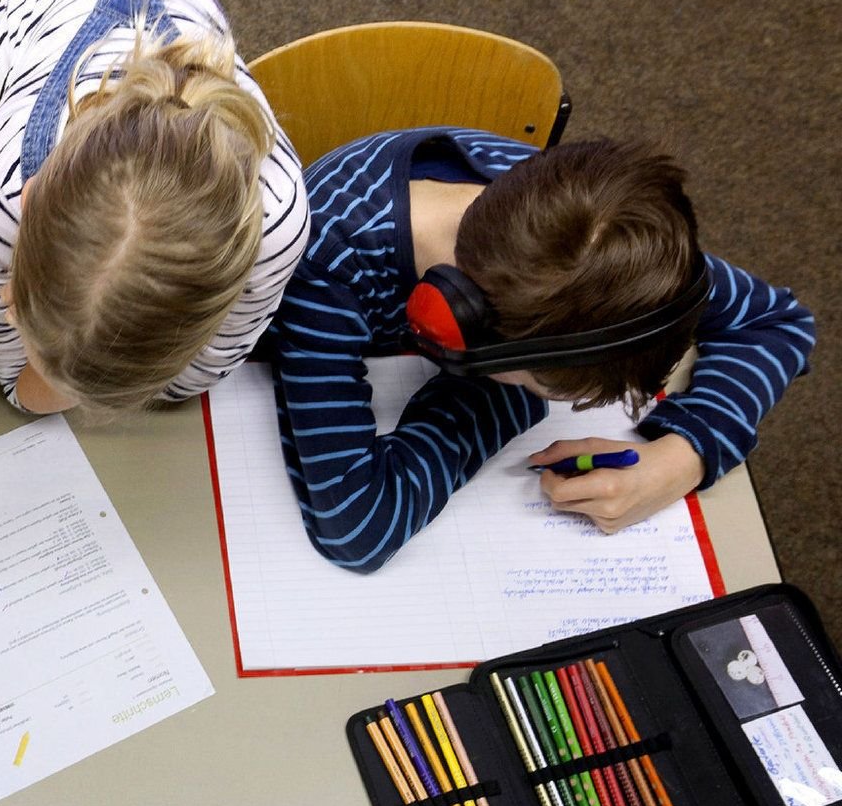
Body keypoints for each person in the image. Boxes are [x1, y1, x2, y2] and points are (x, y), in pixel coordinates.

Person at [269, 128, 815, 572]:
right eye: (551, 390)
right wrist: (497, 403)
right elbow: (358, 529)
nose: (552, 404)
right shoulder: (326, 270)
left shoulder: (602, 239)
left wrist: (685, 456)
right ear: (465, 343)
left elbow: (779, 321)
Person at [0, 0, 309, 413]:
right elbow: (18, 382)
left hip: (183, 7)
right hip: (31, 7)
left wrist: (64, 376)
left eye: (11, 305)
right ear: (27, 198)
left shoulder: (277, 224)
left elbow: (195, 377)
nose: (4, 299)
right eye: (17, 305)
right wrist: (73, 377)